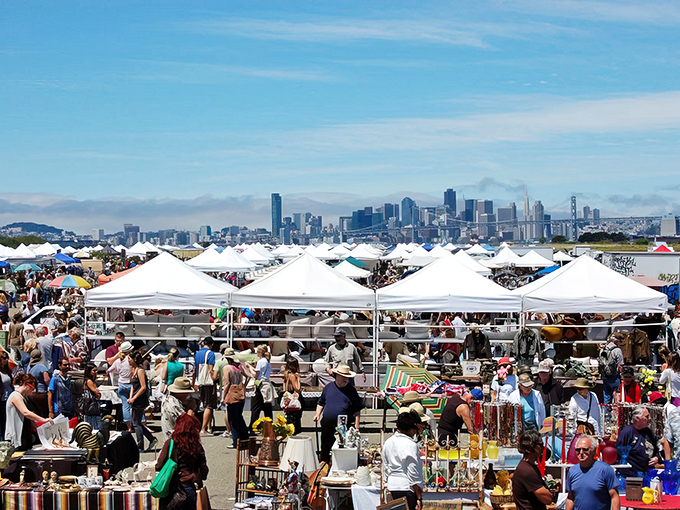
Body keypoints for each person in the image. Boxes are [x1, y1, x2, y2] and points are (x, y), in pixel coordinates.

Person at [155, 413, 208, 510]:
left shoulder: (171, 443)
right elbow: (204, 468)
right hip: (189, 487)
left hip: (173, 487)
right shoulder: (197, 445)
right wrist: (201, 477)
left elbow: (159, 465)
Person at [313, 364, 364, 464]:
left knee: (341, 448)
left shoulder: (351, 390)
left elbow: (357, 410)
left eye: (347, 377)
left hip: (343, 425)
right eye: (343, 376)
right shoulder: (328, 387)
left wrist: (357, 426)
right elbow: (321, 403)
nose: (345, 379)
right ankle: (324, 465)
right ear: (337, 375)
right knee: (325, 447)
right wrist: (317, 414)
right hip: (327, 424)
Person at [382, 411, 424, 510]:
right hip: (406, 487)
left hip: (392, 486)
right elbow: (413, 472)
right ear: (411, 429)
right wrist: (419, 496)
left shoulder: (388, 442)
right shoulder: (410, 445)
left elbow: (385, 467)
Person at [565, 434, 619, 510]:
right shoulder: (572, 471)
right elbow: (570, 498)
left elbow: (614, 496)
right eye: (578, 450)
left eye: (585, 449)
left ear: (594, 451)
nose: (581, 453)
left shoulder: (605, 470)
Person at [6, 374, 53, 450]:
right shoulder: (15, 396)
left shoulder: (23, 397)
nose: (32, 391)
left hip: (24, 432)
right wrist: (43, 419)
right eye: (32, 388)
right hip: (16, 434)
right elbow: (25, 412)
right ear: (26, 384)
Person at [512, 430, 554, 510]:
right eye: (541, 445)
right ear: (531, 447)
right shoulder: (527, 471)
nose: (543, 448)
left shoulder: (529, 466)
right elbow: (547, 499)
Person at [616, 406, 662, 476]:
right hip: (632, 473)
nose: (650, 418)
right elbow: (619, 452)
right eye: (647, 416)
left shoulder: (648, 432)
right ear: (637, 418)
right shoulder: (627, 432)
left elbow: (656, 450)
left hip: (648, 472)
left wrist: (656, 458)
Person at [128, 351, 157, 452]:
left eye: (130, 358)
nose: (128, 360)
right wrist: (130, 397)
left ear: (134, 359)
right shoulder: (134, 370)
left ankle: (140, 446)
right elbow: (133, 386)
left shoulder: (140, 370)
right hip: (135, 399)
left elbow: (143, 387)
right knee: (136, 422)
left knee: (136, 423)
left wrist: (134, 398)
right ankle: (151, 439)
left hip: (140, 399)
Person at [221, 349, 249, 449]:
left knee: (233, 419)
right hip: (240, 391)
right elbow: (248, 376)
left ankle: (235, 441)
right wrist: (244, 385)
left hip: (232, 392)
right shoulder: (239, 366)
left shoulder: (227, 368)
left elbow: (227, 383)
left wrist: (223, 397)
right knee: (239, 416)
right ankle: (244, 437)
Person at [108, 340, 134, 431]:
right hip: (131, 384)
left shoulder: (118, 361)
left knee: (125, 406)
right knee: (135, 406)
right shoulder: (131, 361)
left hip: (121, 385)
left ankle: (129, 427)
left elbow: (109, 370)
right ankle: (138, 424)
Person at [192, 337, 216, 436]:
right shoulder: (210, 354)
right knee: (209, 406)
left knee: (203, 404)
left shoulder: (197, 353)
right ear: (212, 344)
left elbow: (195, 369)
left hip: (200, 380)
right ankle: (204, 429)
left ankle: (209, 427)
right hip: (208, 382)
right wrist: (214, 378)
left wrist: (193, 382)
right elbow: (210, 369)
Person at [247, 345, 274, 428]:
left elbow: (256, 374)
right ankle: (269, 425)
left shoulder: (261, 361)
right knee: (267, 407)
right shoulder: (267, 361)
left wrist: (249, 367)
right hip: (266, 383)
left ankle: (253, 426)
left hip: (261, 384)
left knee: (256, 407)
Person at [599, 332, 624, 404]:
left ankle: (606, 412)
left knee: (606, 395)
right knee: (617, 396)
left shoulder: (602, 349)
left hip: (605, 376)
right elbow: (620, 365)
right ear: (616, 341)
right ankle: (616, 413)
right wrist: (621, 376)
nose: (620, 343)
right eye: (620, 341)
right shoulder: (617, 350)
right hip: (615, 377)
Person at [282, 356, 304, 436]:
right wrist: (298, 378)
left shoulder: (286, 374)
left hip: (288, 397)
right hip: (294, 398)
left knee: (289, 417)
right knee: (295, 419)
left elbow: (284, 388)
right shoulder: (292, 375)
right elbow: (297, 388)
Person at [81, 362, 102, 429]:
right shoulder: (89, 381)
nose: (96, 372)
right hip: (90, 405)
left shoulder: (92, 381)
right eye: (94, 370)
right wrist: (97, 392)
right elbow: (96, 392)